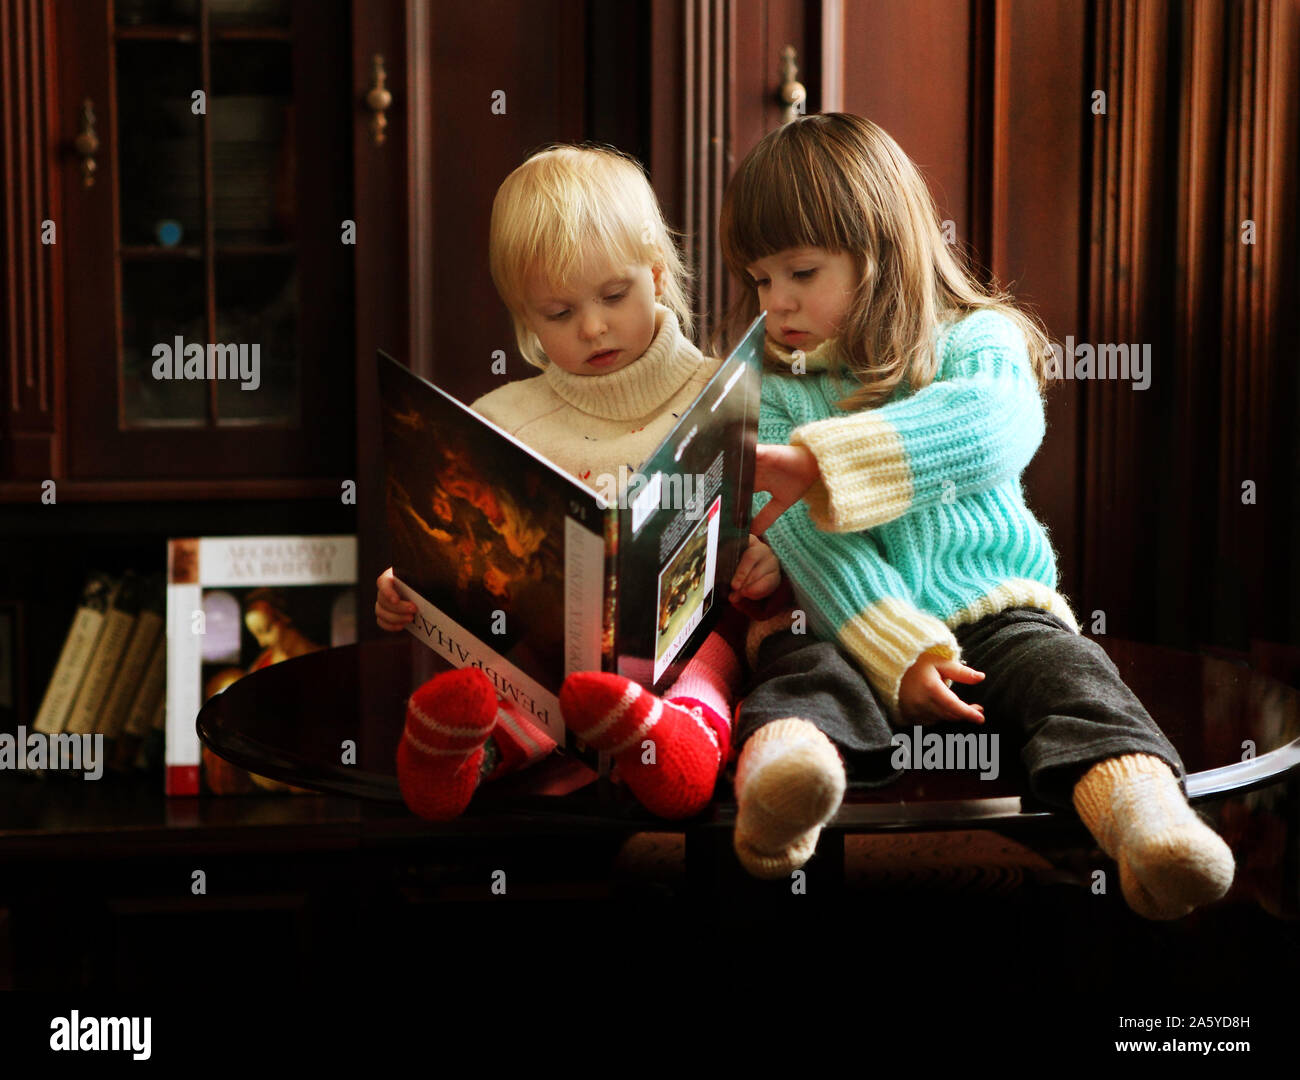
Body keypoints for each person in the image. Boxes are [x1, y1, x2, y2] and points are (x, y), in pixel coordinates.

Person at [713, 112, 1235, 917]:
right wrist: (897, 648)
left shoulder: (973, 340)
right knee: (796, 678)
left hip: (994, 609)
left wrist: (826, 462)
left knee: (1073, 679)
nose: (776, 304)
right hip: (845, 624)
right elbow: (804, 540)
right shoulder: (771, 389)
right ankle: (782, 796)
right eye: (760, 280)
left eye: (801, 272)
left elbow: (991, 426)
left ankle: (1148, 823)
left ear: (882, 250)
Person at [376, 144, 782, 821]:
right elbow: (460, 545)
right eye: (557, 314)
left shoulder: (726, 392)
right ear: (524, 319)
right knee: (512, 687)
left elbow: (776, 519)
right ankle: (459, 756)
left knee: (712, 667)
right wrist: (413, 585)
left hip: (692, 641)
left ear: (656, 273)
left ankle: (667, 749)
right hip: (550, 659)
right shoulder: (504, 420)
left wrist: (769, 557)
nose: (592, 327)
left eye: (613, 296)